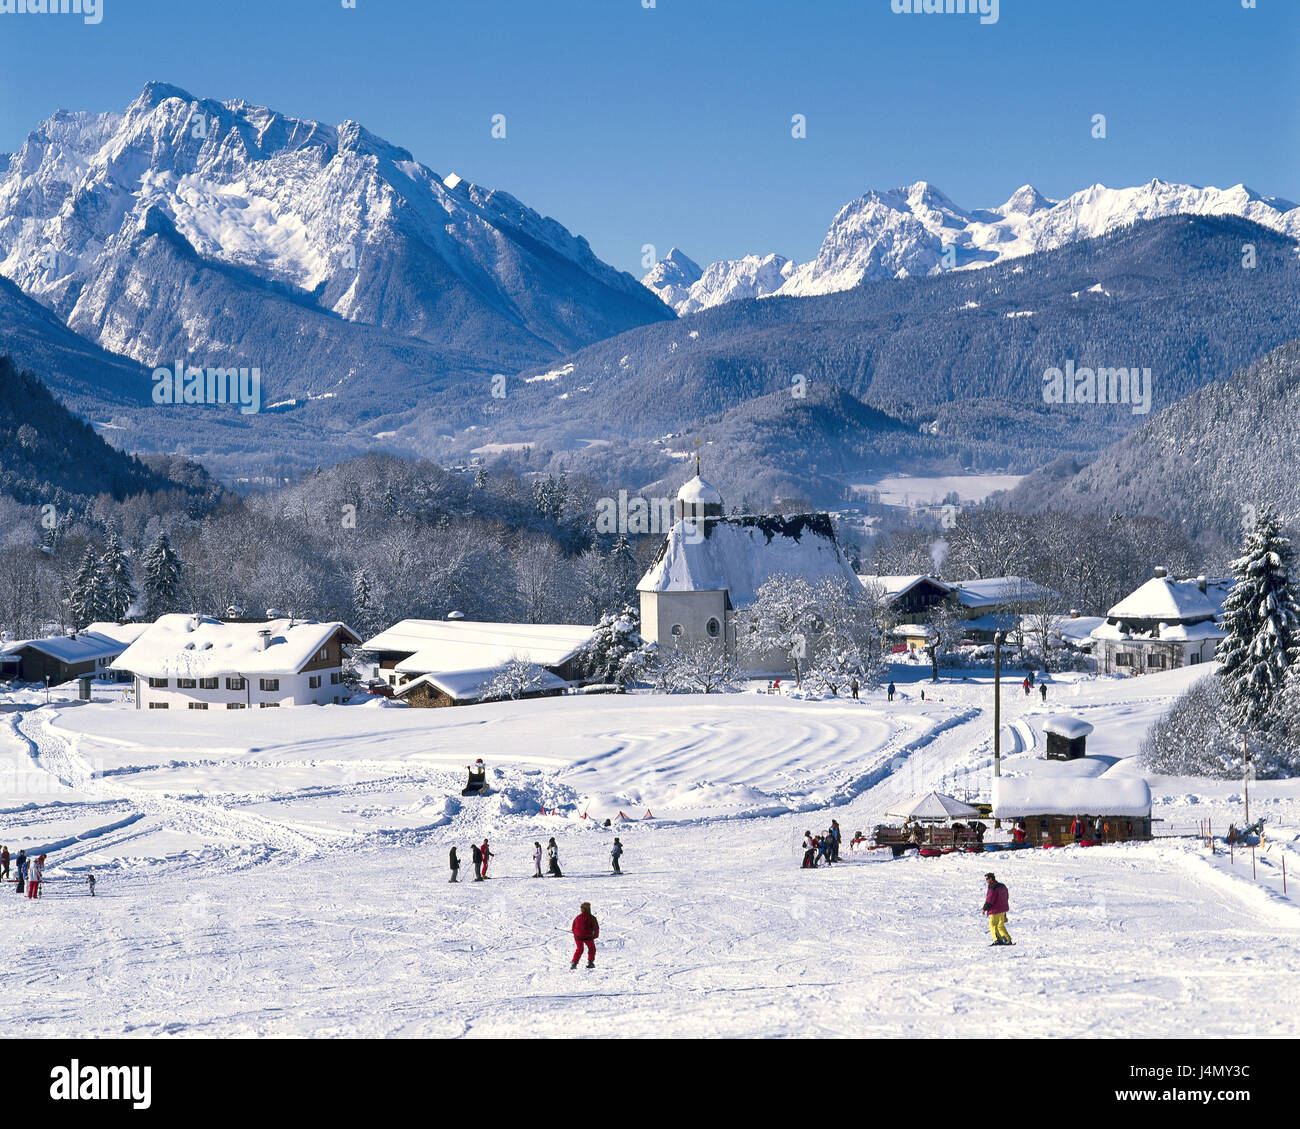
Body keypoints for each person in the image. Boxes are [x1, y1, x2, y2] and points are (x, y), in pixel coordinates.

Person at [982, 872, 1013, 946]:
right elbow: (1006, 896)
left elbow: (990, 900)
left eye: (987, 879)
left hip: (995, 910)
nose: (986, 881)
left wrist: (984, 908)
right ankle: (1007, 939)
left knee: (992, 925)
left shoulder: (992, 887)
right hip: (1002, 909)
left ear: (991, 879)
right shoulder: (1002, 886)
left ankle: (998, 940)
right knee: (1000, 925)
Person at [570, 902, 599, 969]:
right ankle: (590, 962)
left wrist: (575, 933)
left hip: (578, 937)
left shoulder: (577, 917)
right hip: (588, 937)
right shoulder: (592, 918)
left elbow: (573, 927)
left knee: (579, 949)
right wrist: (595, 936)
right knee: (592, 949)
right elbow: (596, 928)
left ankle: (574, 963)